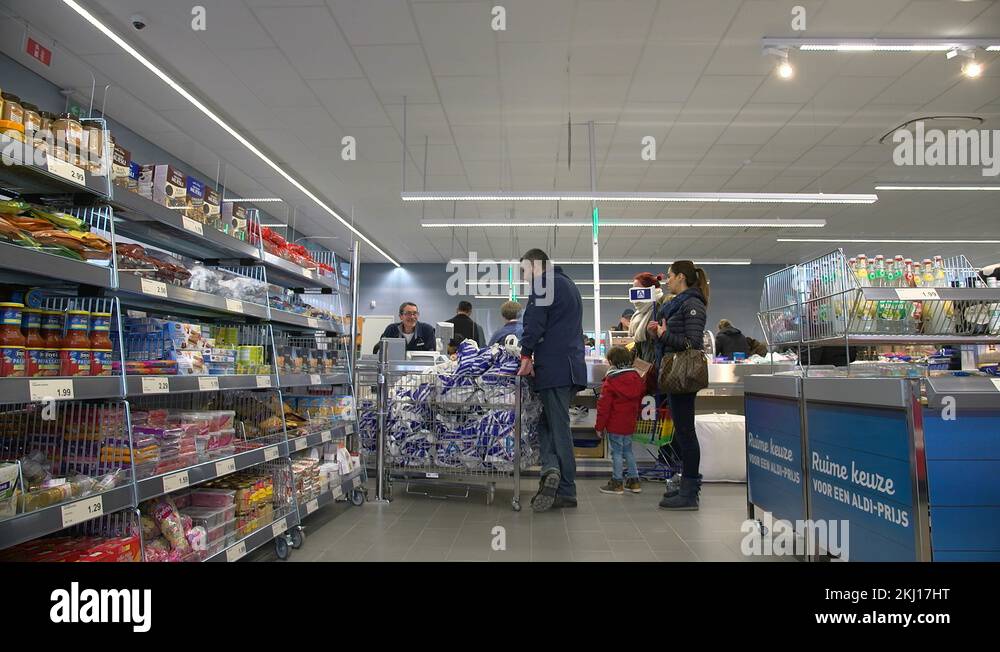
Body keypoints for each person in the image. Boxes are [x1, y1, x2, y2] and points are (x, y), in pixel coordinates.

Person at [517, 248, 587, 512]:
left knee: (558, 429)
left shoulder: (544, 284)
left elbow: (534, 323)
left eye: (524, 271)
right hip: (570, 368)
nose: (525, 278)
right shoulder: (569, 284)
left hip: (555, 369)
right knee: (547, 424)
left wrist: (525, 354)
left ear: (536, 266)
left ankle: (567, 489)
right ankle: (551, 470)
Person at [647, 260, 709, 510]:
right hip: (674, 375)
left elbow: (692, 343)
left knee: (686, 433)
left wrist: (664, 335)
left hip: (683, 375)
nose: (667, 280)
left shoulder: (692, 304)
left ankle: (690, 492)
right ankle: (686, 486)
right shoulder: (676, 305)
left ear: (681, 277)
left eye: (670, 276)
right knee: (681, 433)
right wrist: (657, 333)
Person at [595, 346, 645, 495]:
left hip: (615, 424)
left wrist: (599, 427)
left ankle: (617, 483)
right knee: (628, 451)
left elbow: (604, 407)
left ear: (611, 362)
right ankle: (634, 481)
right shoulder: (637, 378)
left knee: (616, 453)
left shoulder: (611, 381)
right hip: (629, 423)